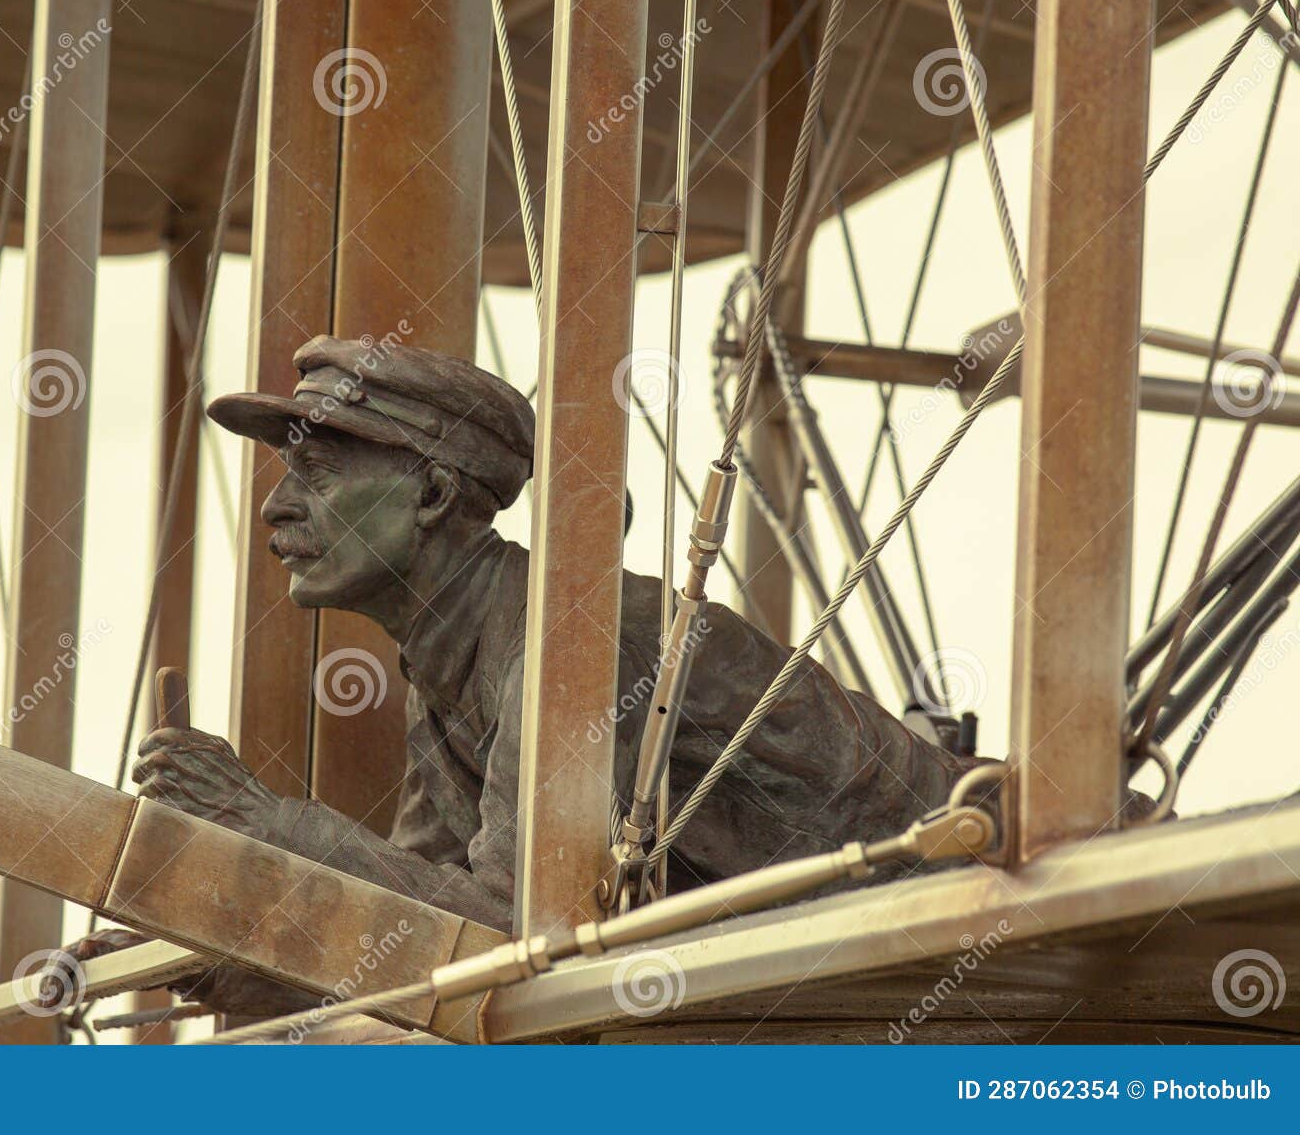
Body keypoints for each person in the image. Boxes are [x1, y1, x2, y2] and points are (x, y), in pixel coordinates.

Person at [50, 334, 980, 1016]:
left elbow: (509, 932)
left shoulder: (565, 645)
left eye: (320, 472)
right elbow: (422, 898)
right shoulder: (457, 650)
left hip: (969, 946)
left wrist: (267, 827)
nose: (278, 506)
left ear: (433, 494)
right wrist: (239, 955)